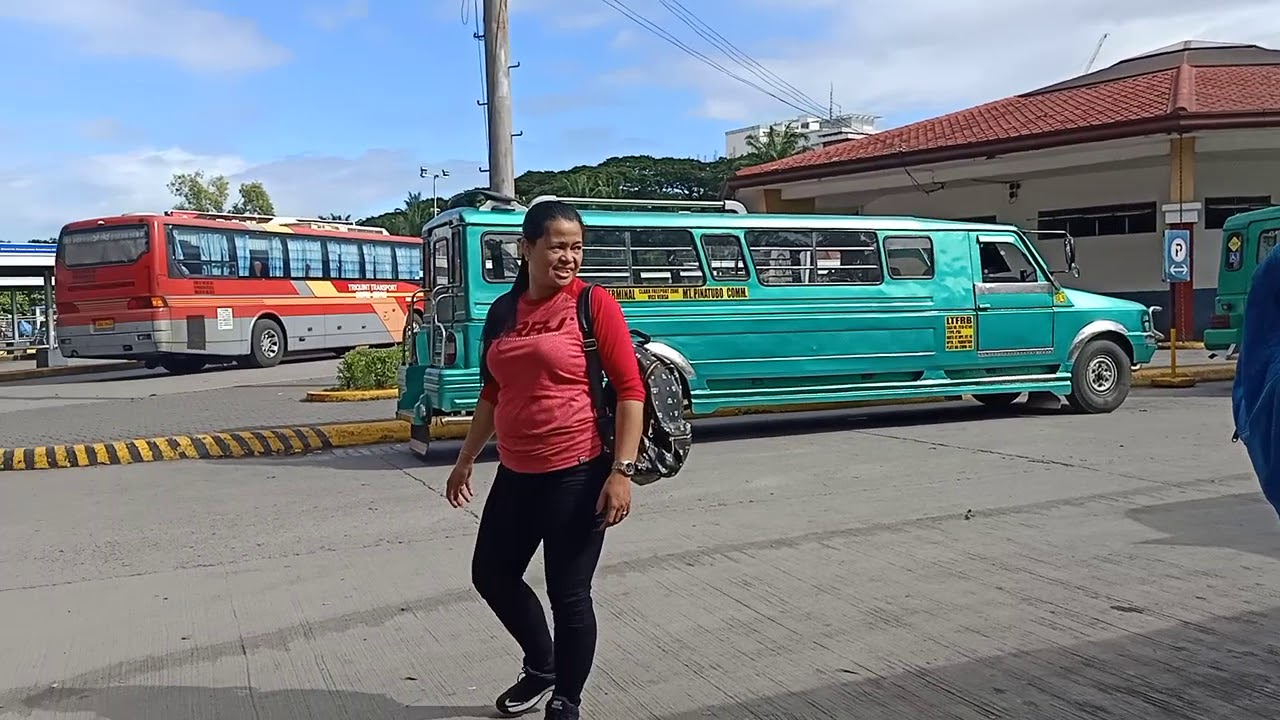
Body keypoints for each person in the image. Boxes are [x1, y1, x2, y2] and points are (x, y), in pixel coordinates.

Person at [445, 200, 646, 720]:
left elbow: (630, 390)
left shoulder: (592, 304)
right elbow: (492, 392)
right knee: (492, 575)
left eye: (577, 248)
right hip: (516, 472)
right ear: (527, 248)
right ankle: (542, 665)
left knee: (569, 595)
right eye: (558, 247)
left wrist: (621, 472)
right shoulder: (503, 312)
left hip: (578, 473)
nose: (569, 258)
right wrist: (466, 458)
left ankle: (565, 700)